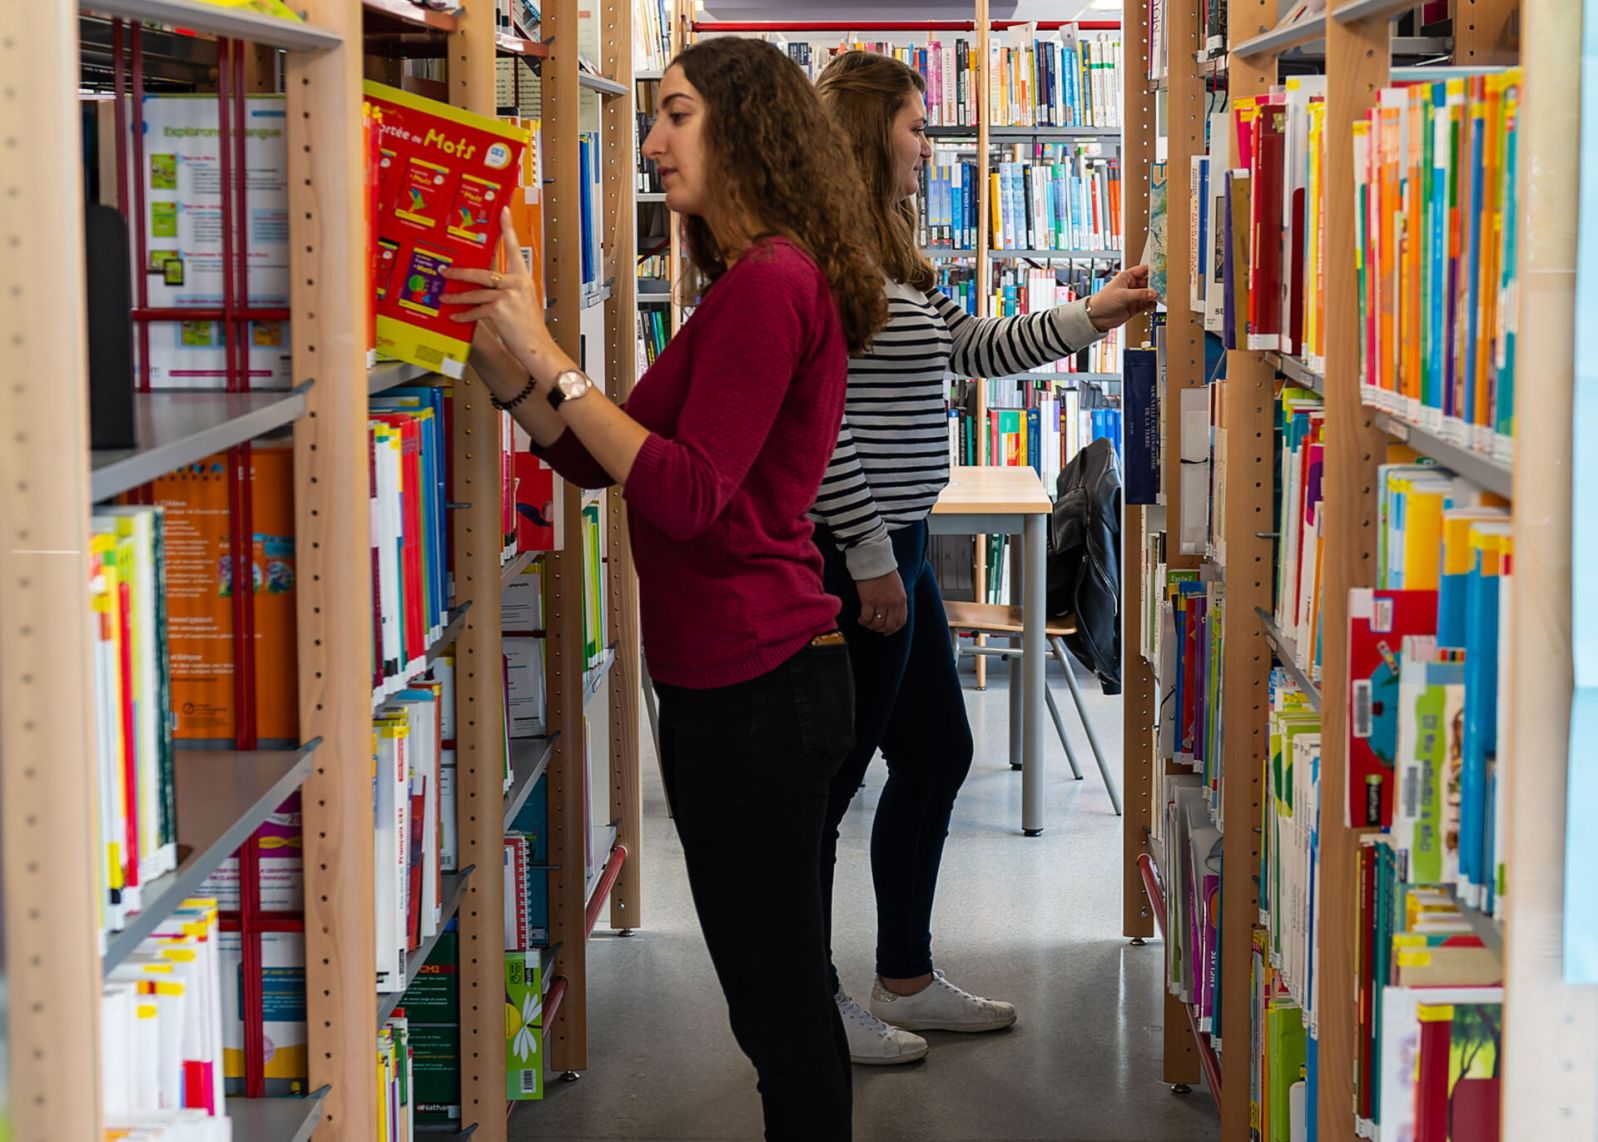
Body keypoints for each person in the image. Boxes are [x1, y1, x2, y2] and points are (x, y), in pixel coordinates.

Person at [441, 38, 887, 1141]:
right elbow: (599, 455)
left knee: (778, 1003)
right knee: (766, 994)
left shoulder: (774, 283)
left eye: (674, 114)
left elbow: (686, 493)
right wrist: (502, 352)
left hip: (761, 687)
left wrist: (549, 352)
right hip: (725, 686)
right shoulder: (744, 282)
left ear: (744, 126)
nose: (648, 142)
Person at [812, 50, 1158, 1066]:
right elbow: (819, 422)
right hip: (854, 556)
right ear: (870, 131)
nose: (930, 144)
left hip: (901, 549)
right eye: (917, 126)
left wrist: (1093, 313)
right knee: (828, 787)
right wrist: (872, 556)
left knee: (935, 753)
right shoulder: (819, 258)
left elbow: (975, 344)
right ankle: (809, 1003)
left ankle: (904, 975)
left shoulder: (888, 251)